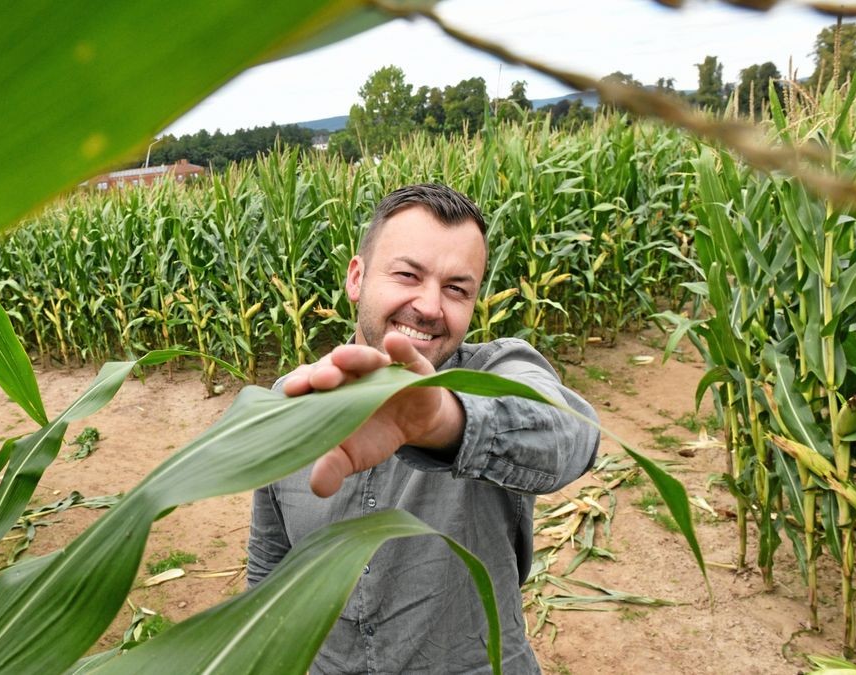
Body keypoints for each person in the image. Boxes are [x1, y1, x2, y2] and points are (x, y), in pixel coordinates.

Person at [247, 183, 600, 674]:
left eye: (457, 289)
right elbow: (270, 568)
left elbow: (570, 435)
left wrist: (443, 421)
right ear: (357, 278)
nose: (431, 306)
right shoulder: (290, 401)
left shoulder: (497, 374)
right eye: (408, 275)